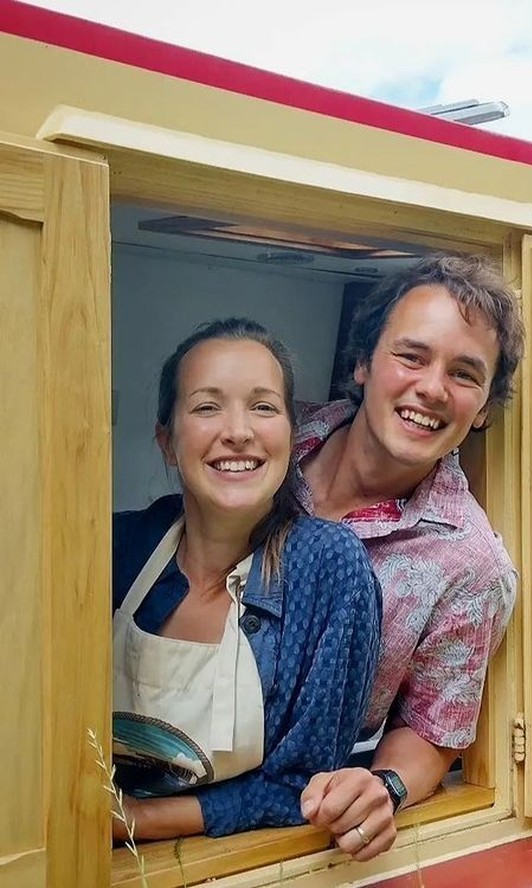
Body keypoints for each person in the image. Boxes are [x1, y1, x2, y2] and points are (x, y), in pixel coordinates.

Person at [111, 318, 382, 840]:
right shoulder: (120, 546)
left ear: (290, 434)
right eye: (207, 407)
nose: (238, 431)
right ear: (167, 442)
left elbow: (300, 786)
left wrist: (135, 821)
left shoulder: (329, 567)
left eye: (263, 406)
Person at [298, 255, 524, 860]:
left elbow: (431, 731)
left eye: (465, 374)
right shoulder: (273, 437)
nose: (431, 388)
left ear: (482, 412)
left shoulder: (471, 566)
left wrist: (382, 789)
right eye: (412, 356)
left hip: (288, 818)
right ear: (362, 363)